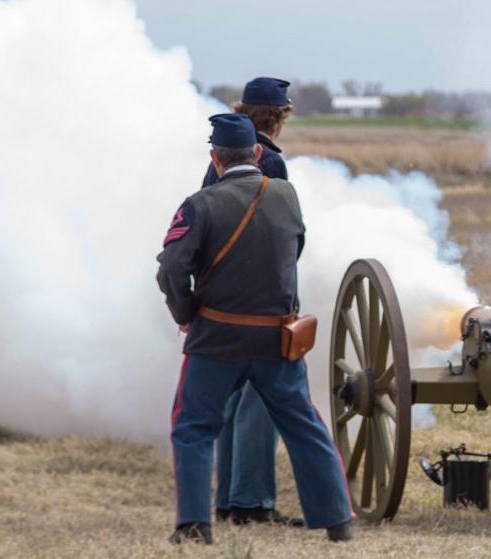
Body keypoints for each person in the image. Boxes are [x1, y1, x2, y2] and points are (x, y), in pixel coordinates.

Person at [158, 113, 351, 544]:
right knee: (304, 426)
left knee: (192, 429)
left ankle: (193, 525)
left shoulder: (199, 204)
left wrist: (185, 313)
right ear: (258, 153)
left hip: (217, 338)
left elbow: (171, 268)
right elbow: (293, 250)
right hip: (276, 337)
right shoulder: (287, 195)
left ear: (215, 158)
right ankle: (338, 520)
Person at [204, 76, 302, 527]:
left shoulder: (224, 156)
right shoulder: (272, 163)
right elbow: (285, 237)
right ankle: (251, 503)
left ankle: (228, 500)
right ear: (279, 116)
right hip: (261, 299)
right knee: (261, 400)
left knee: (232, 399)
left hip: (221, 295)